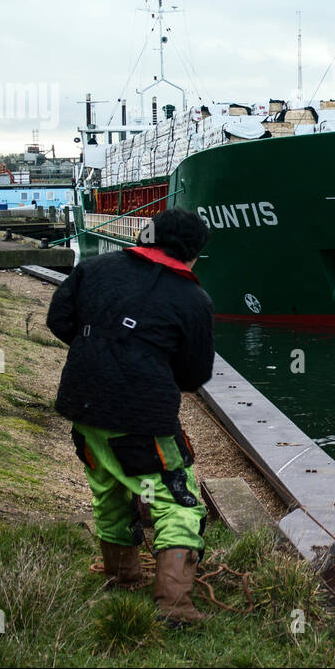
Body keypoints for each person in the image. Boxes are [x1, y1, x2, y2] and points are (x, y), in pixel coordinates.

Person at [47, 207, 215, 627]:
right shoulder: (193, 299)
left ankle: (121, 574)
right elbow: (195, 375)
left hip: (83, 403)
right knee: (175, 498)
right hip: (142, 417)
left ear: (145, 234)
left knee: (108, 485)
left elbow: (59, 320)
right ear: (193, 254)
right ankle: (175, 606)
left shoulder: (95, 268)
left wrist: (102, 351)